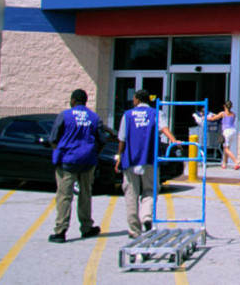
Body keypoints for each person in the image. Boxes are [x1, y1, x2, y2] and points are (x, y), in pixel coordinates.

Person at [115, 89, 183, 238]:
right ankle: (146, 217)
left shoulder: (127, 115)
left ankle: (134, 230)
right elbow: (164, 128)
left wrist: (119, 157)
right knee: (149, 191)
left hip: (131, 161)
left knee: (131, 195)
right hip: (150, 160)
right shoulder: (156, 113)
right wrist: (174, 141)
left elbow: (122, 140)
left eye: (134, 99)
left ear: (137, 100)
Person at [48, 88, 103, 243]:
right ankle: (86, 227)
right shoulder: (94, 117)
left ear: (73, 101)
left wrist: (58, 150)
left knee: (64, 196)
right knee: (85, 195)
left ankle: (60, 231)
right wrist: (93, 152)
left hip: (67, 161)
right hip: (87, 160)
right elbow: (102, 139)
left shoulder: (65, 116)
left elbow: (53, 137)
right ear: (85, 101)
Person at [206, 101, 240, 169]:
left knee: (226, 149)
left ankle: (237, 162)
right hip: (233, 131)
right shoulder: (233, 114)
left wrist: (205, 118)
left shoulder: (223, 113)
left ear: (224, 106)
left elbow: (214, 119)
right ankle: (224, 163)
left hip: (226, 131)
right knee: (227, 148)